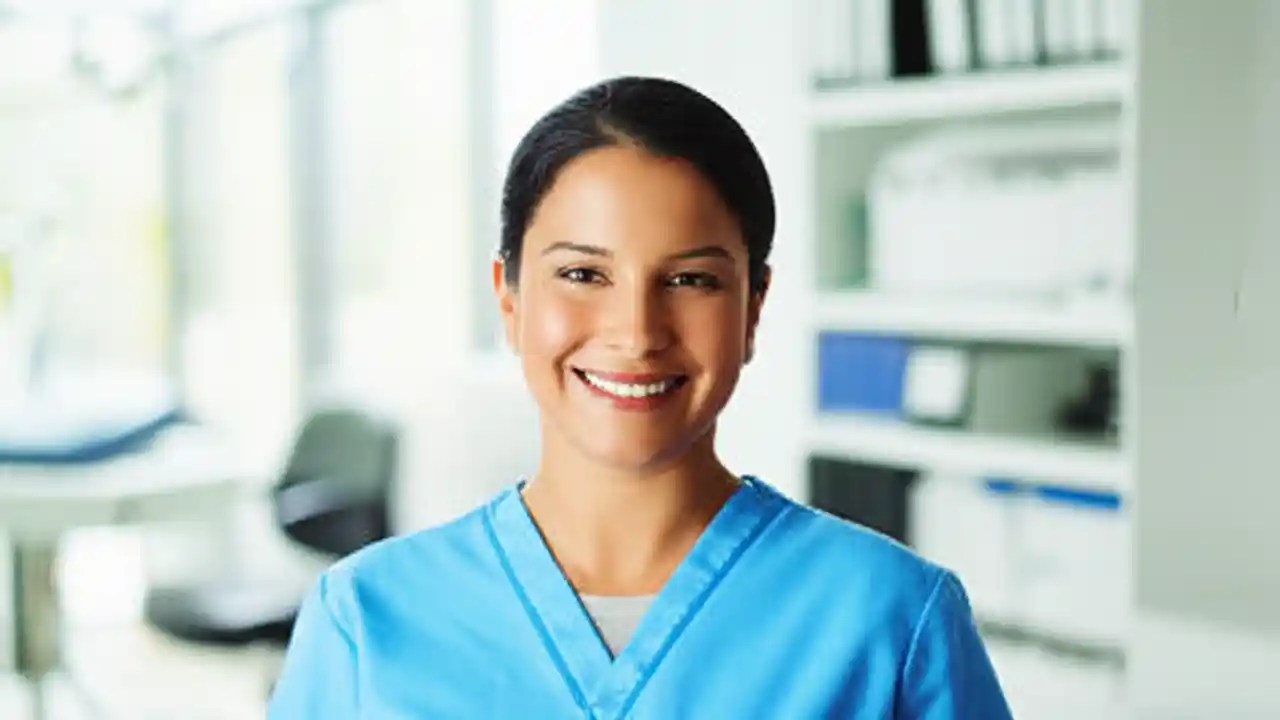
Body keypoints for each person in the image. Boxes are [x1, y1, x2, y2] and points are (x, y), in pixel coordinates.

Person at [267, 76, 1012, 719]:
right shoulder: (366, 622)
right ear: (510, 300)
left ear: (752, 309)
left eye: (690, 280)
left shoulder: (892, 621)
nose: (636, 333)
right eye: (584, 275)